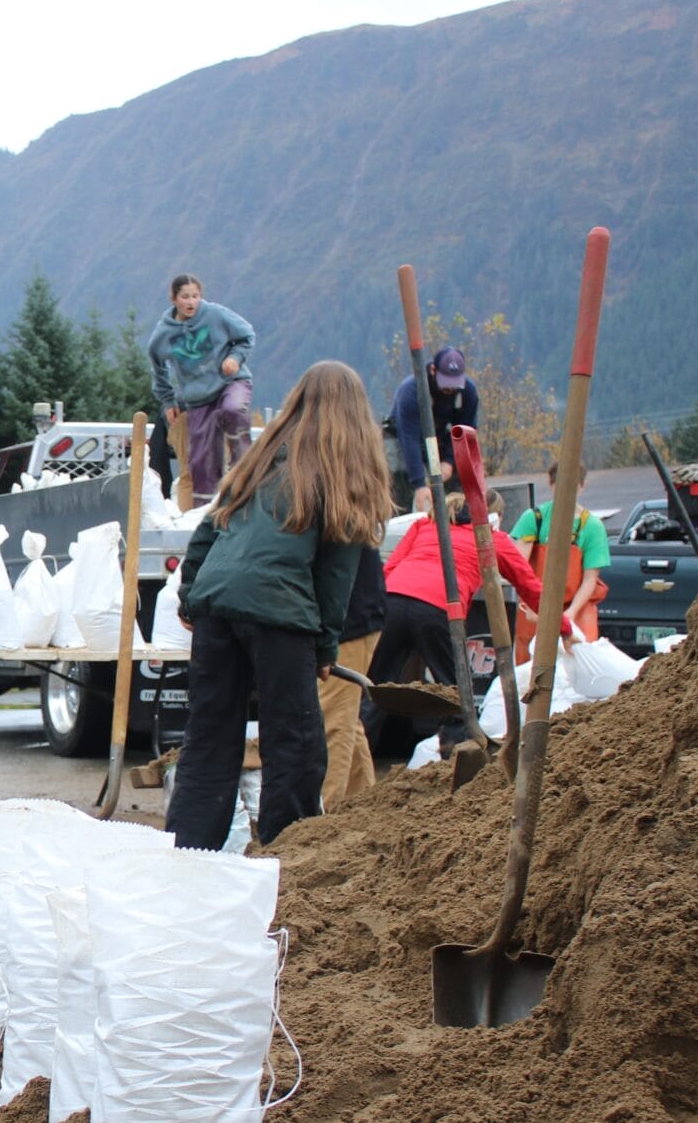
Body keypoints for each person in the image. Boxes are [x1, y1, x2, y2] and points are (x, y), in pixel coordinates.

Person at [163, 360, 392, 850]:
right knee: (295, 741)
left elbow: (209, 526)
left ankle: (186, 853)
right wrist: (326, 645)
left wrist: (190, 596)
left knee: (209, 739)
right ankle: (286, 854)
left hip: (217, 608)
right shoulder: (343, 471)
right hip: (280, 613)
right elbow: (336, 576)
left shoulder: (261, 457)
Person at [364, 490, 549, 752]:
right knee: (456, 690)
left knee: (376, 688)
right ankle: (453, 756)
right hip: (438, 609)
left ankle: (350, 765)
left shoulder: (424, 525)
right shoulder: (490, 538)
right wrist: (561, 627)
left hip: (394, 602)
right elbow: (529, 586)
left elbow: (389, 569)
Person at [146, 274, 256, 502]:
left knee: (234, 410)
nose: (191, 302)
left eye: (195, 296)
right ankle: (202, 515)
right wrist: (168, 400)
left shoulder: (215, 314)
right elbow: (158, 366)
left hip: (231, 383)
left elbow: (246, 335)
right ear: (174, 299)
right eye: (185, 297)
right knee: (201, 462)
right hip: (198, 398)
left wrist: (234, 358)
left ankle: (244, 471)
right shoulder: (164, 334)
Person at [510, 460, 610, 662]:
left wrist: (569, 615)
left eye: (572, 486)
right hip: (534, 605)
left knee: (581, 662)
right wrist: (532, 604)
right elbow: (518, 569)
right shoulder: (534, 519)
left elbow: (590, 579)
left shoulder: (592, 526)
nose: (565, 492)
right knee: (528, 667)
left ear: (582, 487)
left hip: (577, 607)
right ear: (551, 484)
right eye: (560, 486)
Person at [318, 546, 385, 811]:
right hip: (349, 614)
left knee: (334, 719)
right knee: (344, 714)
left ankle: (324, 813)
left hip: (348, 619)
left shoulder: (339, 508)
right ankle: (363, 805)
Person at [388, 346, 479, 514]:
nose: (450, 390)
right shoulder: (411, 392)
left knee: (460, 477)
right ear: (432, 370)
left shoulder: (468, 392)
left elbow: (464, 433)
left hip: (440, 440)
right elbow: (409, 439)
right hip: (405, 442)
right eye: (446, 384)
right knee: (403, 482)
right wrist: (420, 484)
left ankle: (459, 517)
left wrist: (449, 461)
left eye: (454, 385)